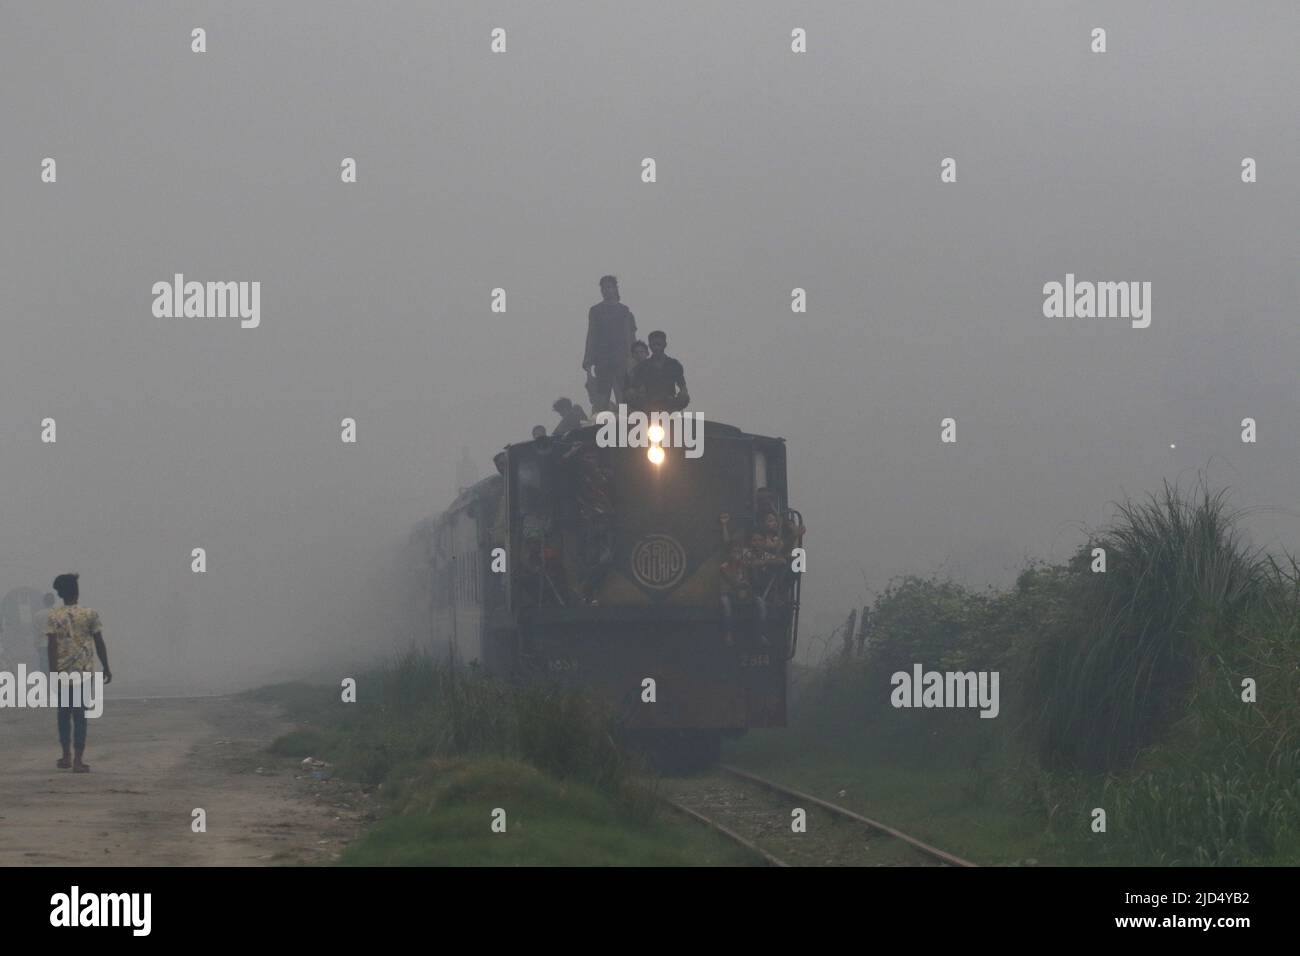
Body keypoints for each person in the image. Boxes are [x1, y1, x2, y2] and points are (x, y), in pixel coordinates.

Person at [44, 573, 112, 773]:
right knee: (80, 714)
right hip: (84, 672)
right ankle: (78, 760)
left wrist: (52, 673)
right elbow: (99, 642)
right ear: (77, 591)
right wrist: (106, 666)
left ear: (60, 593)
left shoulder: (54, 616)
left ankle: (66, 755)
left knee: (63, 714)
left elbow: (51, 647)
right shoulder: (90, 614)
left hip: (62, 673)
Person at [582, 276, 637, 414]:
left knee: (623, 398)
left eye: (609, 287)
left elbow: (630, 336)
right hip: (602, 361)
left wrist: (632, 358)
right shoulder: (596, 311)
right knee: (601, 400)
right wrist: (588, 363)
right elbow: (592, 336)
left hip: (621, 360)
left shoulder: (624, 310)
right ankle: (600, 425)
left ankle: (625, 424)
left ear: (615, 289)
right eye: (603, 288)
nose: (606, 290)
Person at [628, 330, 689, 412]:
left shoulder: (674, 364)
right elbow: (634, 388)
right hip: (649, 404)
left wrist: (683, 394)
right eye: (654, 345)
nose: (656, 348)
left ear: (665, 345)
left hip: (669, 403)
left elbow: (683, 387)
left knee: (685, 397)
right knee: (629, 395)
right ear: (650, 346)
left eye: (659, 344)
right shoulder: (642, 366)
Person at [622, 339, 650, 409]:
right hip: (636, 404)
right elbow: (625, 391)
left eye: (641, 352)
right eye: (636, 353)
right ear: (632, 355)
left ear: (647, 353)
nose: (639, 355)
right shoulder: (630, 372)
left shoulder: (653, 367)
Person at [33, 592, 55, 671]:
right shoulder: (57, 613)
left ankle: (44, 678)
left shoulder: (38, 615)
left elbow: (36, 631)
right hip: (55, 644)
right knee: (54, 665)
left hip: (42, 644)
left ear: (44, 602)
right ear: (53, 601)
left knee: (43, 665)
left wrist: (35, 642)